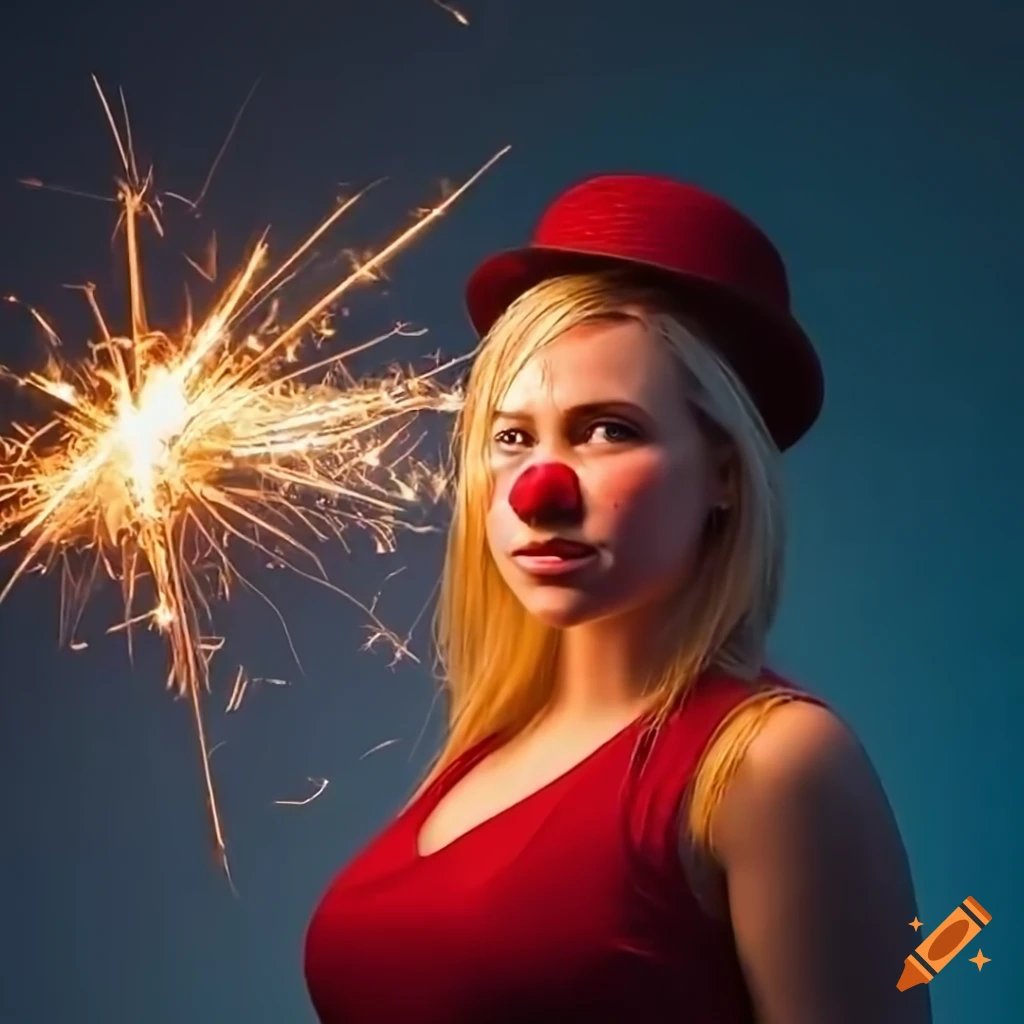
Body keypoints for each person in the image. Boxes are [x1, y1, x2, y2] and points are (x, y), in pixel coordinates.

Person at [304, 174, 931, 1024]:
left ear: (724, 473)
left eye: (609, 430)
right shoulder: (484, 753)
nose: (539, 491)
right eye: (512, 436)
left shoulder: (771, 764)